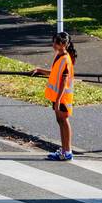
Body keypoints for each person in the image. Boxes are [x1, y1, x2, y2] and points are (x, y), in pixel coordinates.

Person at [33, 31, 77, 161]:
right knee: (61, 121)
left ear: (63, 44)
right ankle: (64, 149)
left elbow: (63, 81)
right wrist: (40, 70)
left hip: (62, 98)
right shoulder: (60, 56)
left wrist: (58, 101)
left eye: (55, 43)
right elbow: (54, 73)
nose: (53, 45)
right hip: (58, 97)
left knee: (63, 121)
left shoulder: (65, 59)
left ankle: (67, 151)